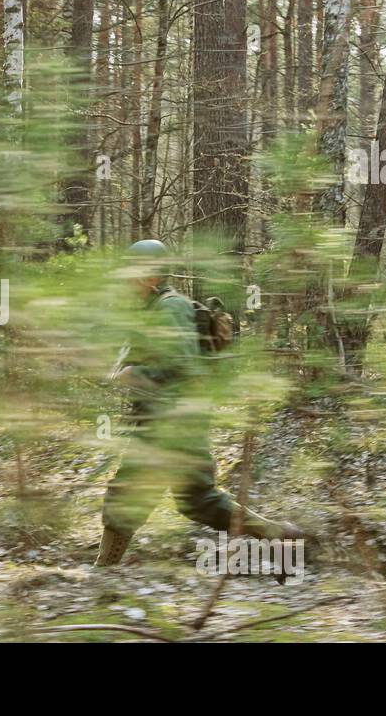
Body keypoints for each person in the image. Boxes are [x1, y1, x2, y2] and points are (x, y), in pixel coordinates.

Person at [95, 240, 300, 567]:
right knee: (198, 500)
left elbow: (183, 364)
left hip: (170, 424)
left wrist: (136, 373)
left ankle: (102, 572)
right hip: (176, 420)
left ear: (150, 276)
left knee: (125, 497)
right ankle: (277, 533)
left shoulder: (169, 308)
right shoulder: (153, 308)